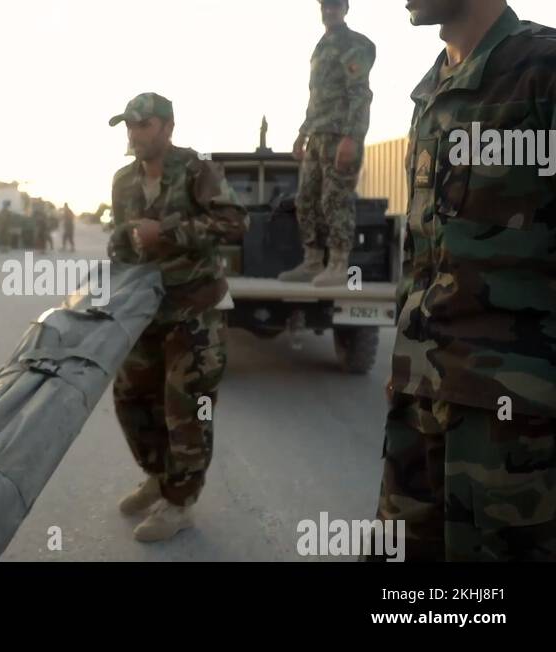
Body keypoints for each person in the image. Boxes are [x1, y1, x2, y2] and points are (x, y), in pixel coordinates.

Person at [369, 0, 556, 561]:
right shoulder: (430, 91)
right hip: (421, 396)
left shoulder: (542, 69)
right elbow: (424, 247)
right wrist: (405, 358)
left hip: (515, 425)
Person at [106, 92, 247, 542]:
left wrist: (165, 232)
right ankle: (157, 476)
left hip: (194, 311)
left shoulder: (196, 170)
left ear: (167, 127)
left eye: (142, 124)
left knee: (186, 408)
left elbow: (234, 223)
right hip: (144, 311)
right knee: (130, 398)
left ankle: (180, 502)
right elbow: (122, 239)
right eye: (128, 125)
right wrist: (124, 243)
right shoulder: (124, 180)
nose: (134, 133)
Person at [279, 0, 376, 286]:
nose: (329, 10)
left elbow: (360, 93)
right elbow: (316, 98)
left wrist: (352, 137)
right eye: (325, 5)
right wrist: (302, 132)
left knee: (335, 199)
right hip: (318, 135)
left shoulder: (352, 44)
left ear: (345, 9)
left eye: (335, 5)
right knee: (306, 200)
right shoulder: (322, 46)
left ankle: (338, 264)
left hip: (339, 137)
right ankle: (312, 261)